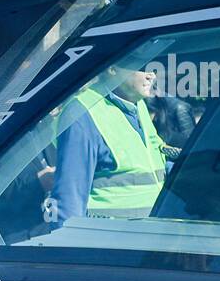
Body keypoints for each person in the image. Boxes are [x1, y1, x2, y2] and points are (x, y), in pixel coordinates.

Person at [50, 64, 168, 224]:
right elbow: (70, 197)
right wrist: (67, 246)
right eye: (142, 67)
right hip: (110, 242)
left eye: (153, 69)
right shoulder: (82, 113)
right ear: (112, 69)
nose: (151, 75)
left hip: (147, 236)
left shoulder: (137, 104)